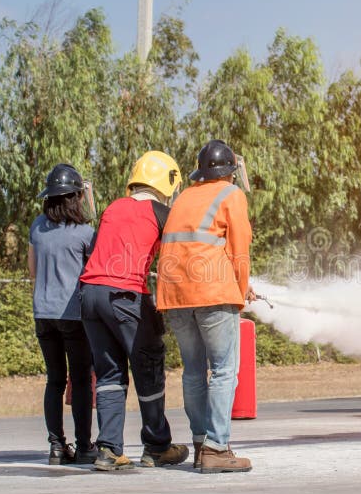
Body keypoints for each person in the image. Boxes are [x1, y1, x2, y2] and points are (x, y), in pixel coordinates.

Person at [80, 151, 189, 471]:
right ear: (169, 182)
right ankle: (156, 446)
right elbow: (182, 254)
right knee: (149, 366)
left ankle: (109, 450)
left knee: (110, 373)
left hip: (89, 295)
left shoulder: (114, 207)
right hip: (124, 296)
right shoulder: (161, 212)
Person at [157, 139, 255, 474]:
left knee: (194, 371)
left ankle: (201, 443)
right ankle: (217, 447)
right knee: (225, 370)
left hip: (176, 296)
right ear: (230, 170)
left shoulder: (184, 197)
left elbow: (196, 247)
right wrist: (240, 292)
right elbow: (239, 250)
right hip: (213, 294)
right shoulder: (231, 195)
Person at [28, 163, 97, 465]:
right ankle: (84, 446)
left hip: (43, 312)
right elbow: (94, 273)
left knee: (54, 380)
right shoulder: (85, 233)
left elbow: (32, 271)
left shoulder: (37, 227)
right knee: (80, 380)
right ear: (76, 198)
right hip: (73, 314)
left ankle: (57, 445)